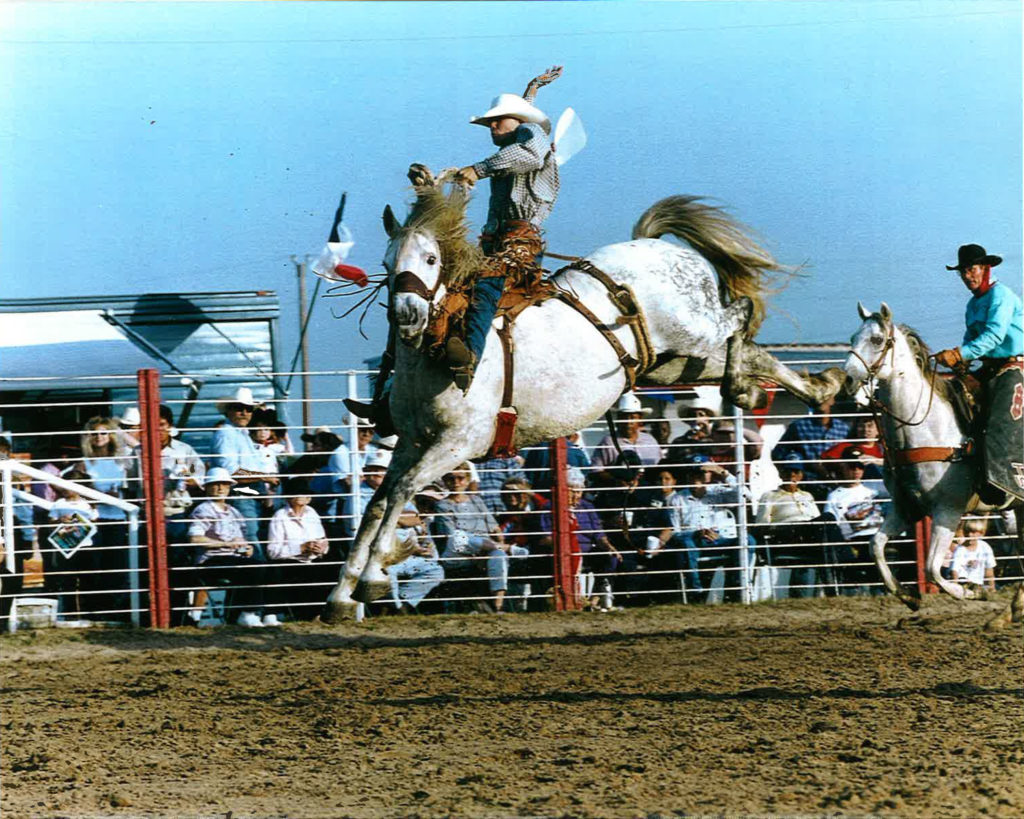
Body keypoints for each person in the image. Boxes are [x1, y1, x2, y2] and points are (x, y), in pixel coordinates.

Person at [345, 66, 564, 415]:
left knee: (489, 285)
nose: (491, 127)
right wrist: (532, 90)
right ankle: (387, 392)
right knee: (428, 294)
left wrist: (477, 169)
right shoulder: (514, 144)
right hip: (496, 243)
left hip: (519, 245)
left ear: (517, 120)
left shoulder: (529, 137)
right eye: (489, 123)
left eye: (496, 121)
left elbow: (530, 151)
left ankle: (470, 361)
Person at [934, 243, 1024, 503]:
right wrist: (960, 364)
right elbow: (970, 339)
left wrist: (960, 354)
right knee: (955, 401)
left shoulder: (1001, 296)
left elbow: (994, 335)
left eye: (971, 269)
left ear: (986, 268)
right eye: (962, 272)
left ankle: (1006, 483)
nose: (966, 276)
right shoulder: (972, 305)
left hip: (1014, 367)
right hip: (989, 368)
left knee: (1001, 421)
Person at [432, 463, 526, 613]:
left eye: (460, 478)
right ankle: (508, 549)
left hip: (486, 548)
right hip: (459, 551)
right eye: (451, 479)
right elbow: (450, 536)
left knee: (498, 555)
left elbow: (494, 528)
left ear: (468, 480)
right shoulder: (442, 505)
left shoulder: (476, 500)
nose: (456, 482)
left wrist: (497, 542)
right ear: (445, 481)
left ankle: (498, 605)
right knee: (458, 537)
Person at [187, 467, 273, 627]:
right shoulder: (203, 510)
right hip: (210, 560)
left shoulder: (234, 512)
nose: (220, 488)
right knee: (252, 567)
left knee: (263, 565)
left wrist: (247, 548)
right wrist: (225, 544)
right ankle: (247, 613)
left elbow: (242, 538)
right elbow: (195, 538)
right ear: (206, 488)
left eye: (224, 485)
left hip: (233, 557)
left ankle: (266, 613)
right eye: (216, 484)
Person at [210, 387, 279, 555]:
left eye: (248, 409)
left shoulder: (242, 433)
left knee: (254, 535)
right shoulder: (226, 434)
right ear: (229, 410)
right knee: (249, 536)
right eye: (239, 408)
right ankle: (258, 574)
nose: (244, 413)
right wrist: (264, 477)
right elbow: (230, 472)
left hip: (253, 494)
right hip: (241, 494)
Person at [79, 415, 132, 621]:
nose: (99, 437)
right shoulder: (84, 463)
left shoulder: (122, 461)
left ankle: (115, 612)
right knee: (93, 566)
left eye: (103, 432)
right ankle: (93, 612)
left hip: (118, 519)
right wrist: (92, 494)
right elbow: (71, 486)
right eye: (94, 433)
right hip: (95, 520)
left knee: (117, 567)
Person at [265, 477, 333, 620]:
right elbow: (272, 551)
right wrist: (300, 548)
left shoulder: (312, 513)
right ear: (289, 497)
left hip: (314, 560)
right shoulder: (279, 516)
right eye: (297, 493)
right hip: (290, 562)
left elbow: (323, 539)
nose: (302, 497)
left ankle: (325, 613)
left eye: (305, 494)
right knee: (295, 572)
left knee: (334, 568)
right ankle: (298, 615)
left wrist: (321, 548)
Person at [755, 454, 821, 598]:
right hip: (785, 533)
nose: (792, 475)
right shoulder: (770, 496)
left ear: (801, 475)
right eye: (787, 472)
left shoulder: (807, 495)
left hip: (809, 534)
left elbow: (817, 519)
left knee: (826, 524)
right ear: (781, 474)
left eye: (796, 472)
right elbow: (761, 524)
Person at [823, 446, 885, 595]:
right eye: (852, 467)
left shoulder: (875, 487)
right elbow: (834, 525)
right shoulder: (835, 495)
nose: (856, 471)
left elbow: (897, 475)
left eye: (859, 467)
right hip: (855, 539)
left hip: (879, 535)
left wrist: (876, 461)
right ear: (843, 467)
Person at [771, 395, 851, 501]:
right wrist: (792, 476)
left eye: (825, 395)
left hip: (837, 487)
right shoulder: (799, 426)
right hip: (807, 487)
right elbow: (778, 454)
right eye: (817, 396)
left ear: (832, 400)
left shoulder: (843, 428)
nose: (820, 399)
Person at [388, 485, 446, 614]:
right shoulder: (407, 510)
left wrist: (423, 549)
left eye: (432, 505)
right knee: (388, 571)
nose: (427, 508)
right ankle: (397, 607)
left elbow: (432, 554)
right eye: (423, 502)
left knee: (436, 571)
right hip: (393, 558)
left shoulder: (431, 522)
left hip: (412, 559)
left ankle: (403, 604)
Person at [157, 404, 206, 544]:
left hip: (176, 511)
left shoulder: (183, 450)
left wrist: (188, 478)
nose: (158, 430)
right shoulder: (138, 452)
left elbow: (196, 471)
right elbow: (129, 483)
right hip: (148, 513)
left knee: (177, 553)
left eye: (162, 425)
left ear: (170, 426)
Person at [590, 392, 663, 475]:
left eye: (633, 417)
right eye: (624, 417)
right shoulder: (608, 442)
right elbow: (596, 471)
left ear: (640, 420)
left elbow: (659, 467)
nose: (628, 422)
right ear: (618, 420)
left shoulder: (650, 441)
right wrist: (617, 479)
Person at [949, 517, 997, 592]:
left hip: (978, 585)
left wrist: (992, 587)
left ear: (981, 533)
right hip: (963, 584)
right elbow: (954, 571)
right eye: (967, 531)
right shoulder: (960, 550)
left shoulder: (985, 547)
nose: (970, 535)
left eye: (974, 532)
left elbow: (989, 570)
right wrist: (955, 588)